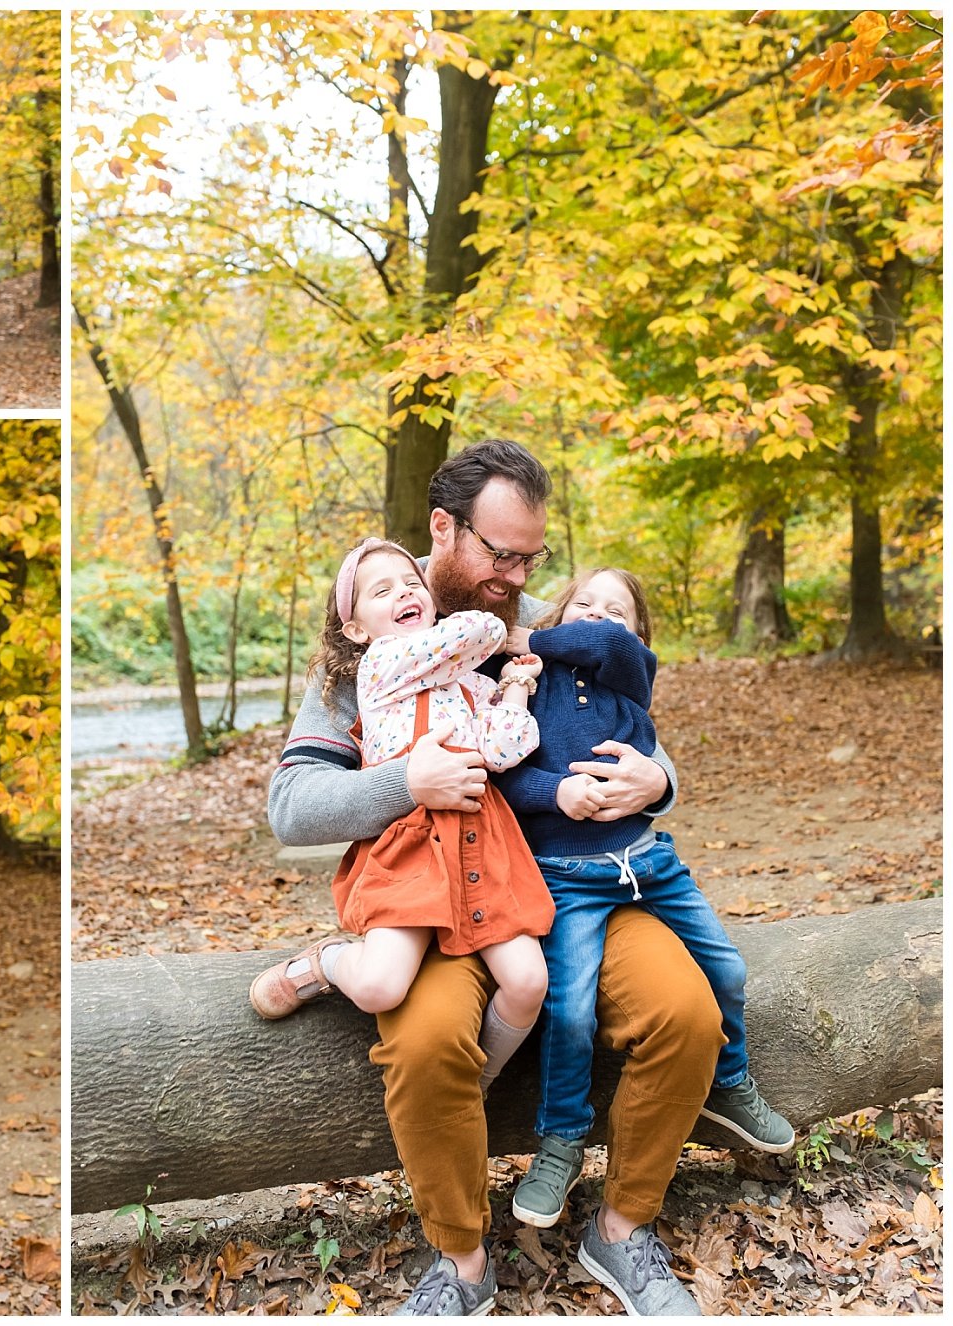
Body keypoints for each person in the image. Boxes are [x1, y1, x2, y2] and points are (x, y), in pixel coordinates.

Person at [269, 439, 718, 1316]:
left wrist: (661, 781)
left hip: (564, 883)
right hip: (436, 900)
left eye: (530, 556)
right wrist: (409, 781)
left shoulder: (543, 626)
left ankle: (622, 1231)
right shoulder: (369, 639)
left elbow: (645, 735)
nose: (517, 575)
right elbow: (293, 807)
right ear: (444, 527)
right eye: (499, 552)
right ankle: (464, 1263)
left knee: (687, 1014)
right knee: (430, 1043)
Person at [493, 567, 793, 1234]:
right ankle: (562, 1138)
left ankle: (729, 1080)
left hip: (647, 864)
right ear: (561, 612)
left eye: (617, 610)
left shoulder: (626, 679)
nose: (600, 617)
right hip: (566, 876)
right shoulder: (526, 687)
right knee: (567, 1011)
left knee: (730, 971)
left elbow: (620, 649)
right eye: (586, 604)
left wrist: (541, 638)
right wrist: (557, 794)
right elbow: (506, 776)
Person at [249, 537, 553, 1097]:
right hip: (412, 845)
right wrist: (508, 630)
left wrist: (513, 688)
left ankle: (482, 1080)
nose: (405, 592)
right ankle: (326, 963)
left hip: (482, 841)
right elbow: (479, 633)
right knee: (381, 986)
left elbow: (508, 748)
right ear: (358, 629)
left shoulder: (470, 684)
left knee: (529, 981)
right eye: (382, 590)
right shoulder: (383, 666)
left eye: (413, 584)